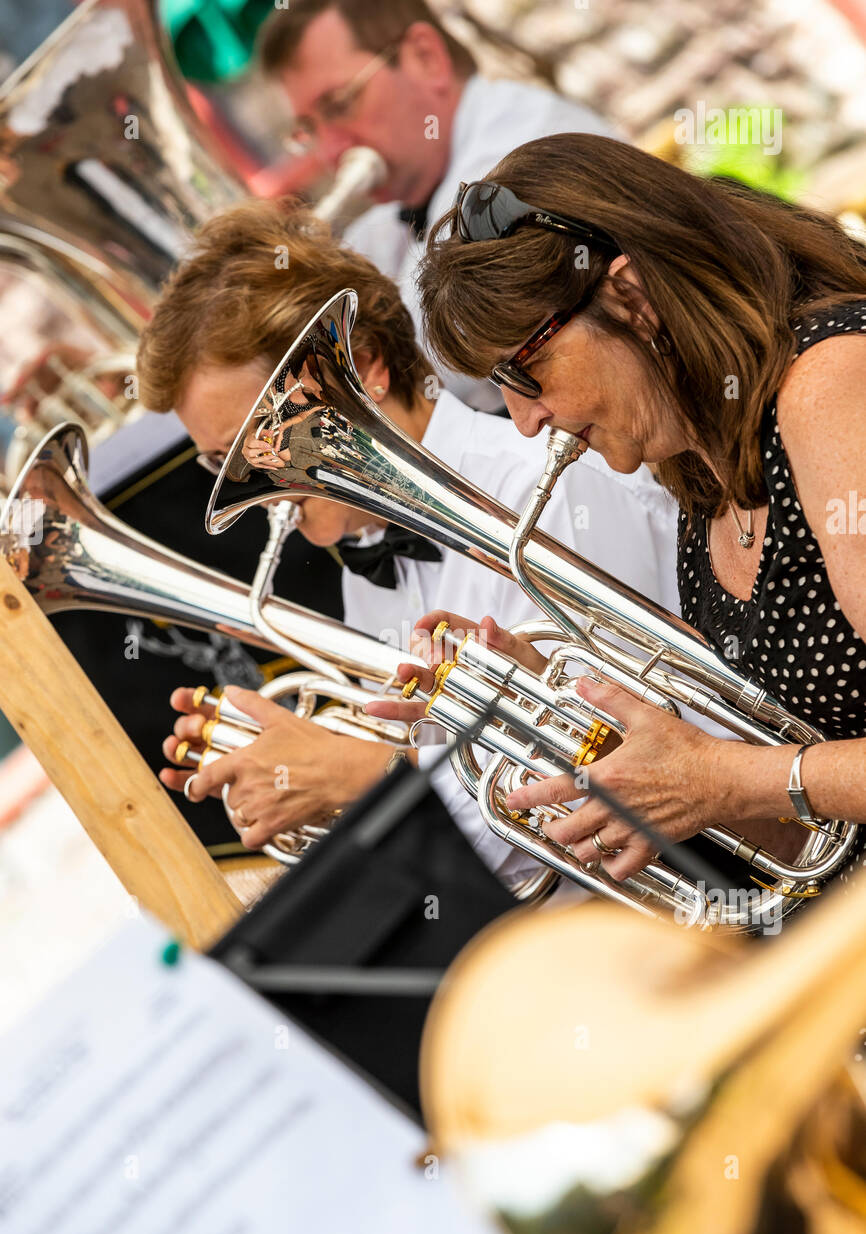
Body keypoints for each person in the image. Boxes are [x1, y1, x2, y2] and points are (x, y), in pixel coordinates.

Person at [135, 197, 678, 890]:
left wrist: (360, 777)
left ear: (362, 368)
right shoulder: (366, 565)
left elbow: (630, 778)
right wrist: (288, 769)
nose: (254, 488)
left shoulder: (544, 483)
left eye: (258, 441)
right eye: (224, 463)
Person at [395, 131, 866, 896]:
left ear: (631, 296)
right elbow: (811, 836)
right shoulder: (695, 481)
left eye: (526, 367)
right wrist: (593, 739)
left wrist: (725, 776)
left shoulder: (829, 390)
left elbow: (759, 781)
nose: (523, 420)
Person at [256, 0, 616, 409]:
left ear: (426, 58)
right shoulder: (403, 204)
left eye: (339, 105)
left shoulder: (522, 152)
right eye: (309, 129)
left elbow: (435, 359)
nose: (330, 149)